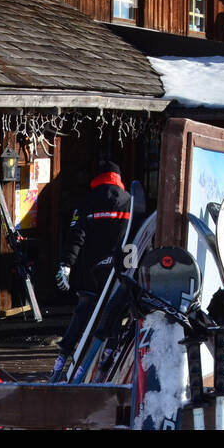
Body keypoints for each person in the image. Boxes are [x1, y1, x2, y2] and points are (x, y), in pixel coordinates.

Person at [50, 161, 140, 382]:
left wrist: (66, 265)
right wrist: (133, 269)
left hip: (91, 272)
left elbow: (76, 236)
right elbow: (136, 239)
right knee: (115, 315)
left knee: (84, 313)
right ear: (117, 178)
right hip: (120, 273)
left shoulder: (87, 202)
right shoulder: (131, 202)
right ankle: (108, 358)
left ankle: (62, 361)